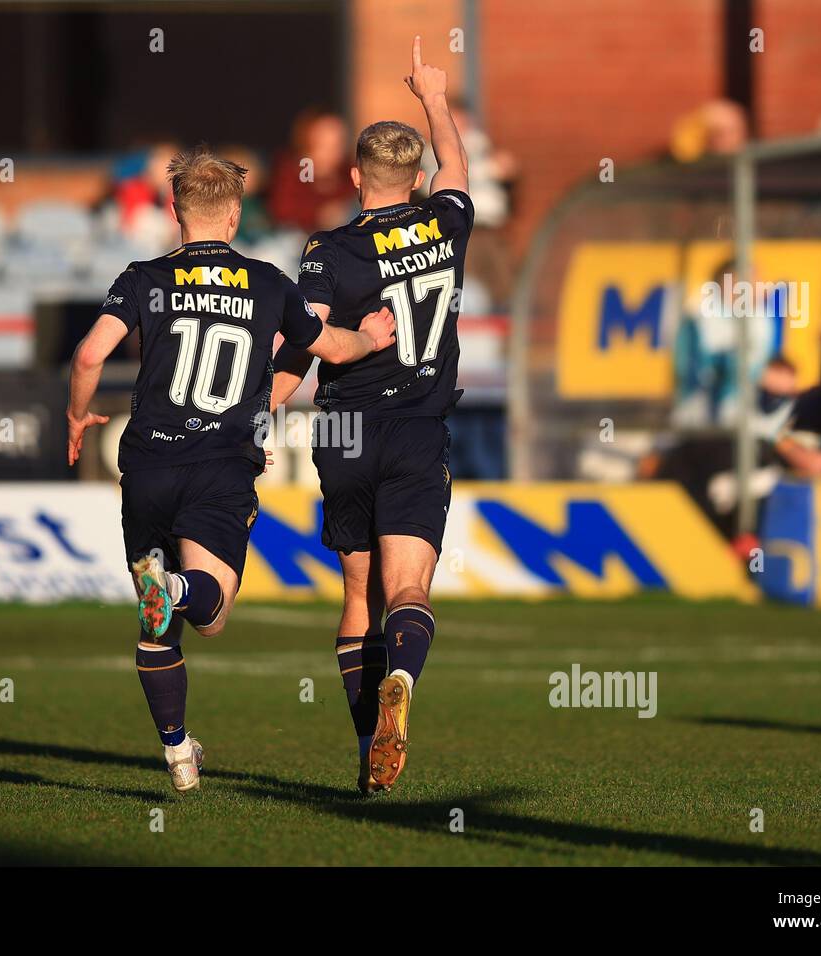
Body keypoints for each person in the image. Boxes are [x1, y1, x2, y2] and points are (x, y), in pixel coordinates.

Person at [66, 145, 395, 793]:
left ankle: (178, 754)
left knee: (155, 623)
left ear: (173, 210)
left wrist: (77, 418)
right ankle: (182, 590)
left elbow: (88, 356)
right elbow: (329, 346)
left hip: (149, 461)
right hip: (220, 460)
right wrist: (371, 338)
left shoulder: (142, 276)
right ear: (237, 214)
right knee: (207, 612)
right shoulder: (269, 283)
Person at [270, 36, 473, 794]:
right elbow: (458, 169)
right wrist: (435, 98)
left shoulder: (328, 250)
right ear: (414, 180)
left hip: (344, 430)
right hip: (419, 427)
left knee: (360, 596)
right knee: (410, 590)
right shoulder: (447, 227)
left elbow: (306, 341)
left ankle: (366, 752)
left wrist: (259, 414)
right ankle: (405, 688)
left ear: (356, 177)